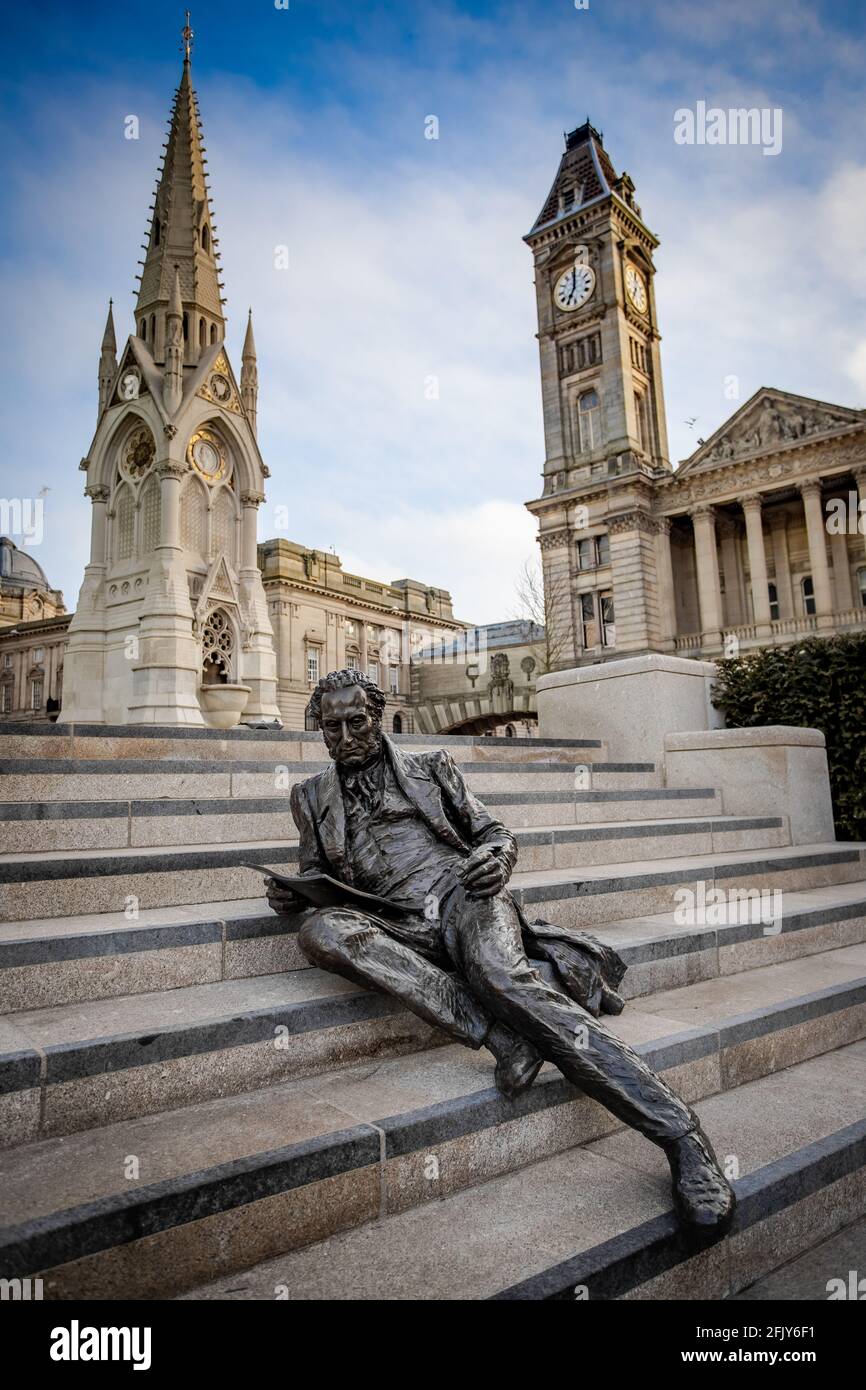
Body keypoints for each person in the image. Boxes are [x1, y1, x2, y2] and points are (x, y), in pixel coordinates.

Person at [266, 670, 735, 1237]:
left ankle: (682, 1136)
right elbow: (316, 871)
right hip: (391, 921)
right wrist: (289, 894)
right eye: (331, 727)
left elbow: (494, 832)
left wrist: (499, 858)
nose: (343, 737)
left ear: (378, 716)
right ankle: (499, 1035)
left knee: (502, 977)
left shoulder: (432, 768)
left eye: (356, 722)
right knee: (321, 932)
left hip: (463, 894)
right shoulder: (310, 797)